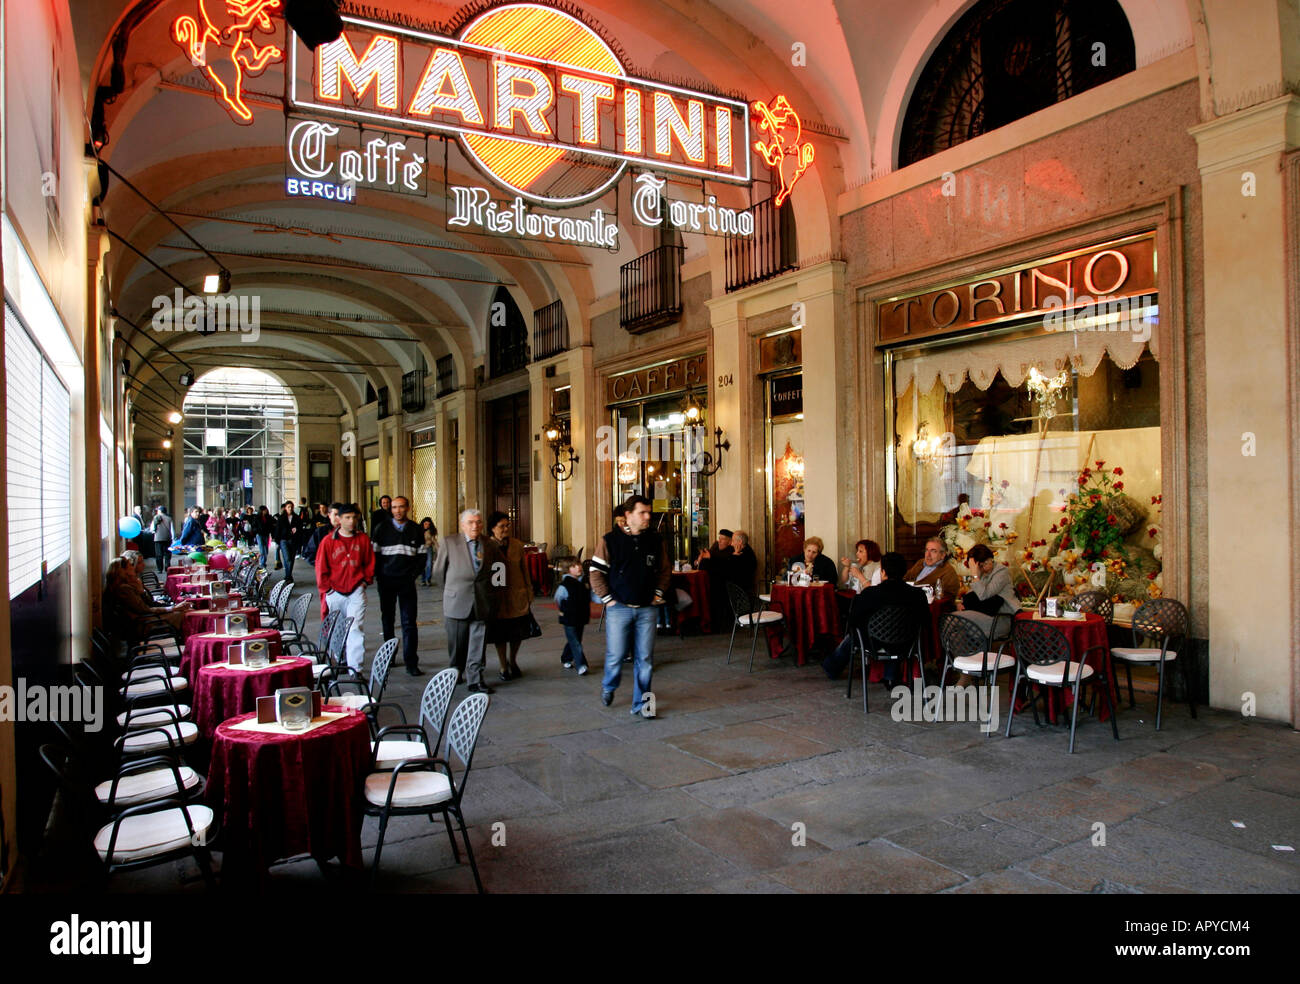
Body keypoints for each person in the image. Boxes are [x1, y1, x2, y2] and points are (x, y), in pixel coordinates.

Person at [588, 495, 671, 716]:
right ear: (628, 515)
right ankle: (609, 685)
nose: (647, 517)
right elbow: (595, 572)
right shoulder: (610, 540)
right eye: (642, 513)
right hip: (619, 608)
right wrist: (607, 599)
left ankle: (643, 704)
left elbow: (664, 570)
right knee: (616, 655)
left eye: (648, 513)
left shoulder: (655, 540)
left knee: (645, 659)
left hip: (647, 608)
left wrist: (658, 593)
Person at [822, 551, 929, 684]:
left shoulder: (870, 594)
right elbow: (925, 621)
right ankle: (890, 674)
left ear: (883, 572)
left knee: (856, 634)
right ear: (905, 571)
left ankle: (831, 667)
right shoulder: (918, 595)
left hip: (874, 643)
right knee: (893, 630)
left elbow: (853, 621)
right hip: (906, 642)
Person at [430, 508, 502, 695]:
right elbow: (438, 572)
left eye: (478, 522)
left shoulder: (490, 544)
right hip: (456, 600)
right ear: (462, 525)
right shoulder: (449, 542)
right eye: (470, 522)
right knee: (457, 642)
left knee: (478, 642)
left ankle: (475, 678)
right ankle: (455, 672)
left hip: (482, 601)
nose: (475, 526)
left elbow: (498, 569)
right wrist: (451, 590)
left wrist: (494, 592)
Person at [314, 503, 374, 674]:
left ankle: (355, 668)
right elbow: (321, 567)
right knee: (337, 627)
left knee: (355, 628)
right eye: (347, 517)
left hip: (356, 589)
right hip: (335, 591)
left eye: (354, 517)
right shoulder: (328, 541)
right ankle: (339, 659)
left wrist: (364, 582)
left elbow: (369, 562)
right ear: (339, 519)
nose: (351, 521)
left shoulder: (362, 539)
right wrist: (328, 589)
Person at [372, 495, 427, 676]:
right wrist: (380, 575)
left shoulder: (415, 529)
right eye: (394, 507)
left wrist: (412, 575)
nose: (397, 510)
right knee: (387, 620)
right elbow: (375, 556)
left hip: (406, 582)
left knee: (409, 622)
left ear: (408, 508)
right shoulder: (381, 529)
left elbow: (422, 556)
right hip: (386, 581)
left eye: (401, 507)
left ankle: (411, 662)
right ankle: (389, 658)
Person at [485, 510, 534, 682]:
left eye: (507, 525)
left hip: (516, 595)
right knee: (500, 634)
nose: (505, 529)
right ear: (492, 528)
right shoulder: (487, 546)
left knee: (516, 632)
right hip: (497, 598)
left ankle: (513, 660)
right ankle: (502, 664)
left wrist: (529, 591)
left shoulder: (517, 545)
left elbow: (524, 570)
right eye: (501, 526)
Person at [104, 556, 191, 638]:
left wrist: (141, 591)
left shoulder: (128, 585)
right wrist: (172, 609)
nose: (133, 567)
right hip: (142, 624)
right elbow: (144, 609)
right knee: (184, 615)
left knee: (183, 612)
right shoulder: (124, 589)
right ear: (123, 571)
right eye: (130, 566)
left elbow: (148, 603)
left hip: (144, 619)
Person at [954, 543, 1020, 636]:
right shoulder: (983, 574)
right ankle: (959, 650)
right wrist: (960, 603)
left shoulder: (1002, 572)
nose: (983, 568)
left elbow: (984, 595)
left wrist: (975, 575)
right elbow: (971, 594)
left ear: (991, 558)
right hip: (984, 614)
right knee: (956, 629)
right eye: (979, 566)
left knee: (956, 619)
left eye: (985, 563)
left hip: (1000, 618)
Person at [553, 557, 590, 675]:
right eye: (574, 566)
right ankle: (581, 665)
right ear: (568, 570)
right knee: (575, 641)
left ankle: (566, 657)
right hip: (569, 617)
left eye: (578, 564)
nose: (578, 567)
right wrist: (564, 609)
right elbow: (558, 598)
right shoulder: (565, 585)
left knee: (575, 639)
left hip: (581, 616)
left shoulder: (583, 582)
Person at [303, 502, 342, 570]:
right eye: (335, 514)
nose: (338, 517)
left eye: (340, 515)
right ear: (329, 515)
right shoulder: (321, 532)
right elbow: (309, 554)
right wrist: (323, 565)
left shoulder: (350, 532)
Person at [274, 500, 301, 577]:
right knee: (287, 558)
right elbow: (278, 530)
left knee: (291, 559)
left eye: (291, 507)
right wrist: (277, 541)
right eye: (288, 507)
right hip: (284, 540)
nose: (290, 508)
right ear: (285, 508)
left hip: (293, 540)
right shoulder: (281, 518)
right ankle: (288, 576)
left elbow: (300, 529)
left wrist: (297, 530)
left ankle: (288, 575)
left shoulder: (297, 518)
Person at [728, 530, 758, 595]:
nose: (731, 544)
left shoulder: (746, 554)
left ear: (740, 542)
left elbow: (731, 572)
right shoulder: (741, 551)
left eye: (733, 541)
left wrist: (734, 556)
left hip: (742, 592)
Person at [149, 506, 174, 573]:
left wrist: (154, 532)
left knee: (159, 554)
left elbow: (152, 529)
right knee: (167, 554)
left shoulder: (155, 517)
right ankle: (167, 567)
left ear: (160, 511)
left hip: (158, 538)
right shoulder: (169, 518)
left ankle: (160, 569)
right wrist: (173, 538)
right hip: (167, 538)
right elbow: (172, 530)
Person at [420, 518, 439, 586]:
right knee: (422, 565)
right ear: (422, 523)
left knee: (429, 564)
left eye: (428, 524)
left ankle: (428, 579)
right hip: (421, 549)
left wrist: (439, 550)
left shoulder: (431, 531)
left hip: (428, 549)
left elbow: (434, 541)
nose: (427, 525)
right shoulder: (418, 530)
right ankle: (423, 580)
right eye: (425, 524)